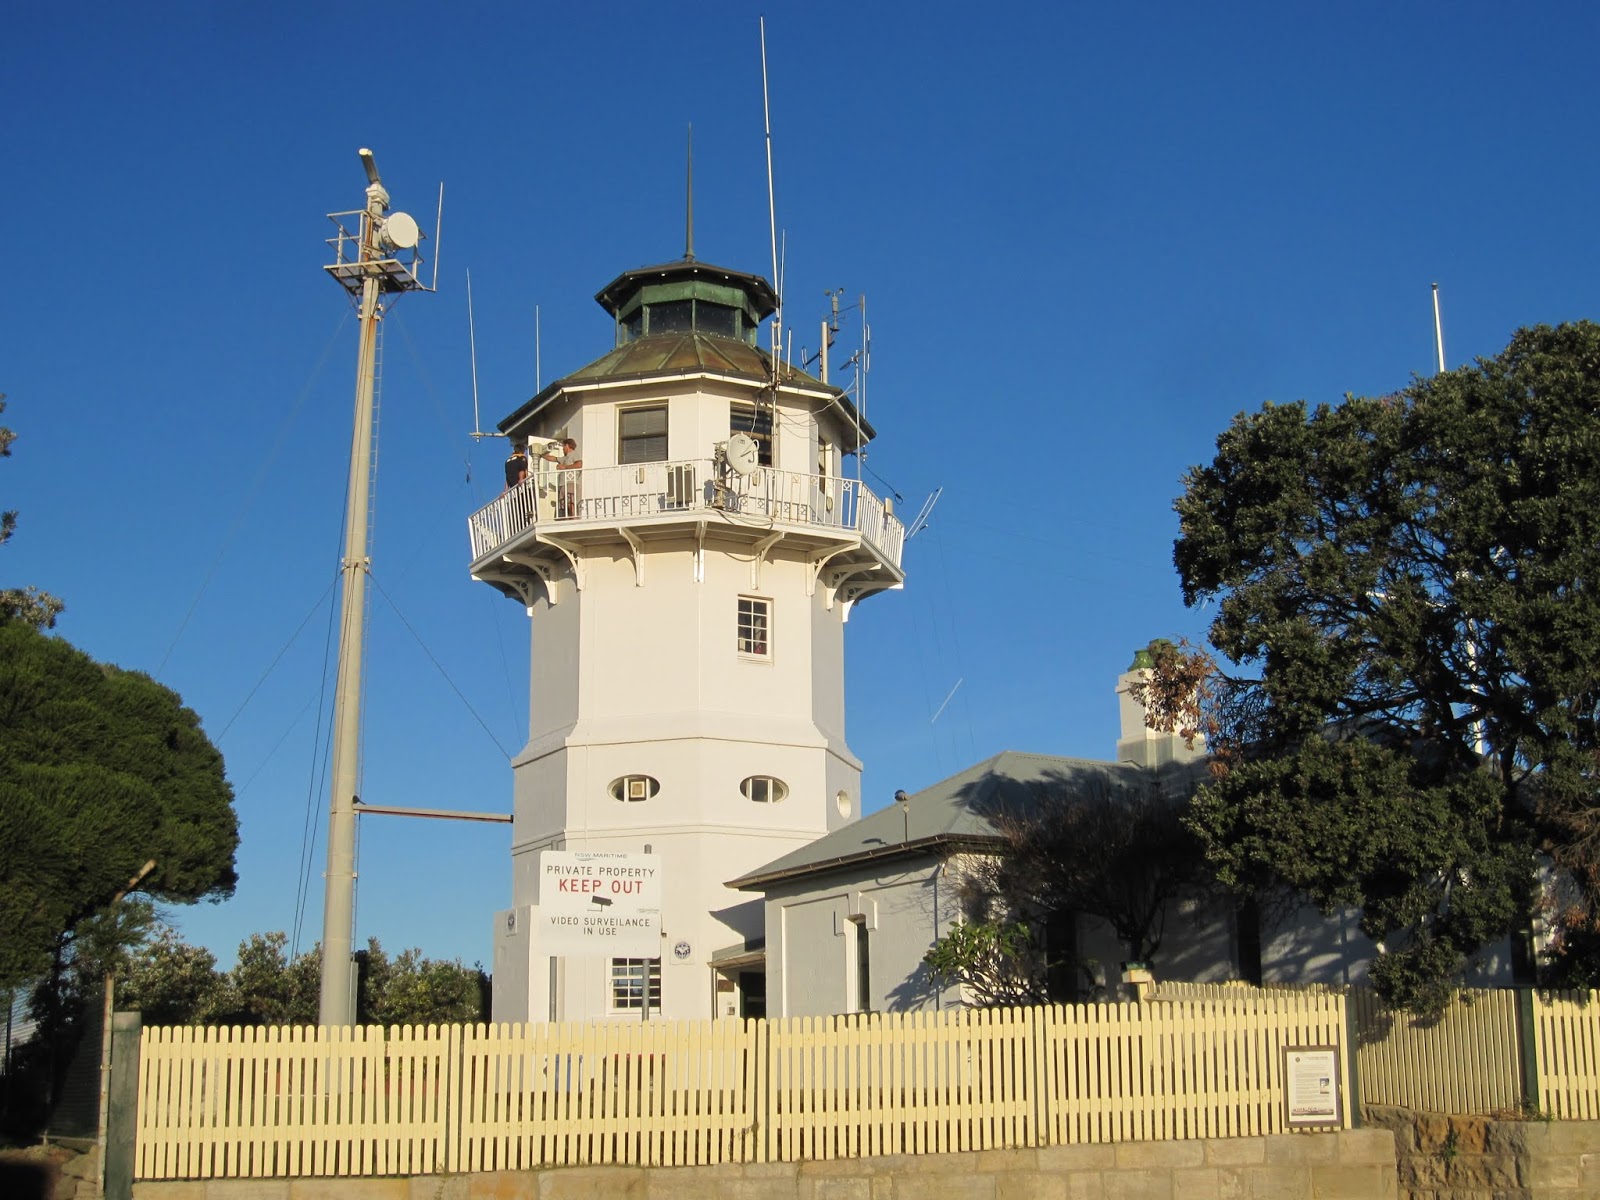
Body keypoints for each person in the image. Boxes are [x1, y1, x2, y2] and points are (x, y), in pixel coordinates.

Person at [543, 437, 582, 518]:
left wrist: (565, 467)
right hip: (563, 485)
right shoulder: (565, 457)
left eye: (563, 447)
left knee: (571, 502)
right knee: (564, 504)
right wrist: (542, 454)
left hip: (570, 482)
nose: (563, 449)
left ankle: (574, 519)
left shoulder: (574, 454)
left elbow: (579, 465)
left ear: (567, 445)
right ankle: (568, 519)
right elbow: (553, 458)